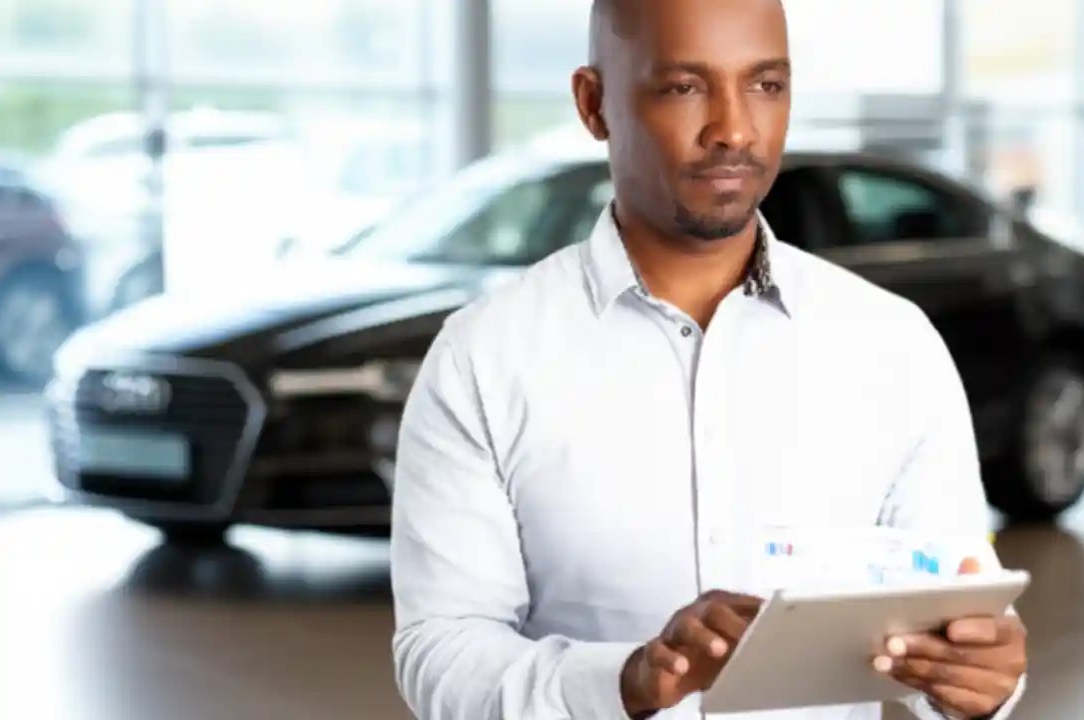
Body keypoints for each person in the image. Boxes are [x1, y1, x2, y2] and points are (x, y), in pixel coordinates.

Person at [390, 0, 1028, 717]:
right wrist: (629, 679)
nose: (733, 128)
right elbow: (441, 653)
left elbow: (958, 610)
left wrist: (981, 683)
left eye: (765, 85)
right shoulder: (484, 357)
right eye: (684, 87)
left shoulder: (893, 345)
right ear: (593, 104)